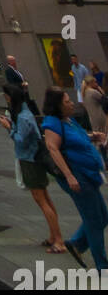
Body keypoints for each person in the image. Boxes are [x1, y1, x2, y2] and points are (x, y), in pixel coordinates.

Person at [41, 87, 108, 271]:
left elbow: (76, 138)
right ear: (57, 106)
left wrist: (92, 136)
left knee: (102, 217)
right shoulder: (52, 123)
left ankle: (77, 243)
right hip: (78, 177)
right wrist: (70, 176)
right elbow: (53, 149)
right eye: (66, 102)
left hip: (89, 175)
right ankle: (102, 266)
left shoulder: (68, 120)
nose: (71, 103)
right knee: (94, 220)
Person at [0, 85, 65, 253]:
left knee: (41, 200)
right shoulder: (24, 113)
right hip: (32, 158)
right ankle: (54, 235)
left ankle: (58, 239)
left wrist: (8, 127)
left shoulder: (23, 117)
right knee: (45, 198)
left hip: (30, 160)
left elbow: (21, 139)